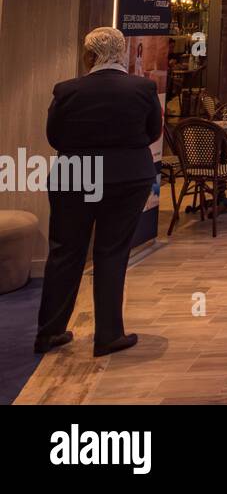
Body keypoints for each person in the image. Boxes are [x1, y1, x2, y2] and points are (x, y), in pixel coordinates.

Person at [36, 28, 161, 357]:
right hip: (127, 176)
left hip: (75, 175)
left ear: (89, 55)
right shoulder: (143, 88)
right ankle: (108, 335)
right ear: (122, 53)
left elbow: (55, 137)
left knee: (65, 251)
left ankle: (50, 332)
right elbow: (153, 132)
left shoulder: (67, 90)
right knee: (112, 251)